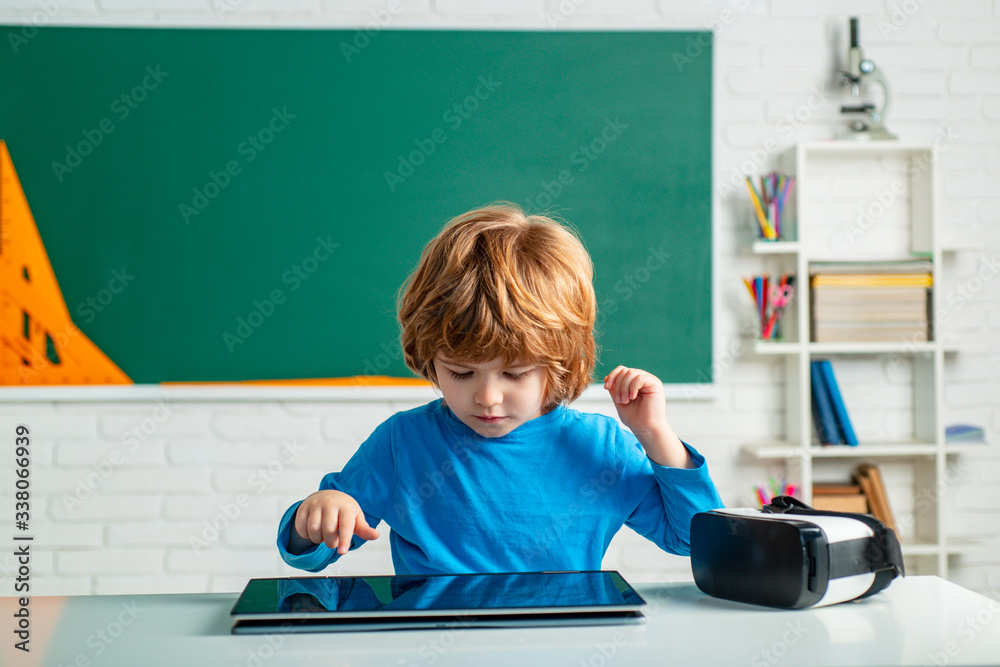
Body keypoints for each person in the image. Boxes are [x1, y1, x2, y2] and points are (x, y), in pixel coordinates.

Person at [277, 203, 723, 575]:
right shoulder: (402, 442)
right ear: (429, 358)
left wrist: (655, 434)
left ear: (559, 362)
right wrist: (316, 514)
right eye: (461, 373)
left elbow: (694, 540)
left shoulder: (601, 446)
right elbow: (308, 552)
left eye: (515, 374)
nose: (487, 397)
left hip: (563, 639)